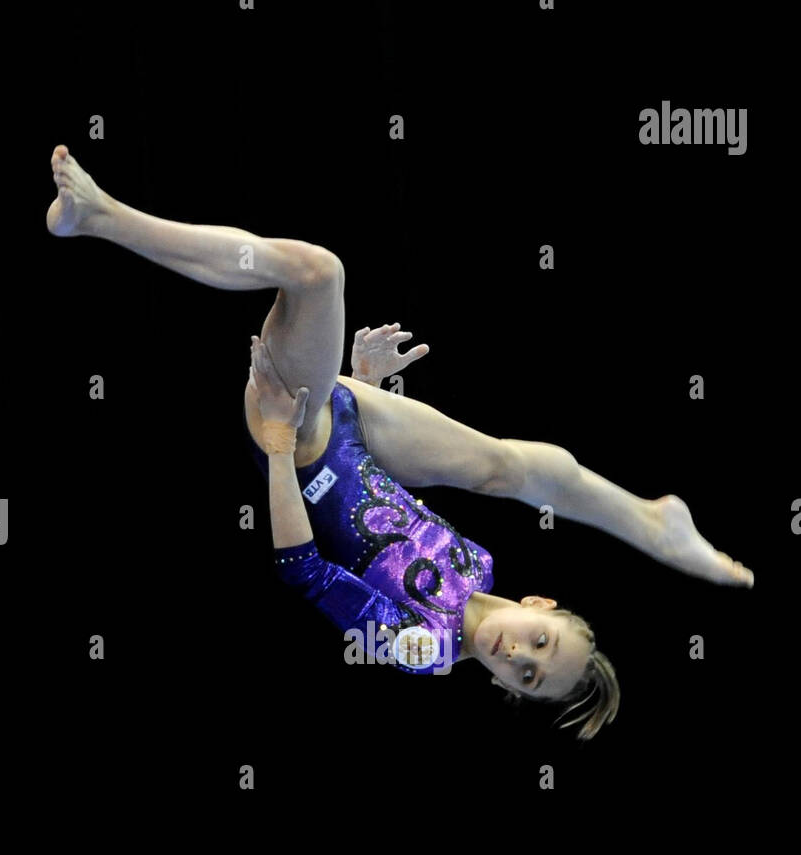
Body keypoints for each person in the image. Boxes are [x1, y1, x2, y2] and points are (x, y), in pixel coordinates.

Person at [47, 144, 754, 739]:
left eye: (528, 676)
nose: (517, 654)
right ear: (537, 603)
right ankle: (651, 522)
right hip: (356, 435)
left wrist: (274, 446)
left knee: (315, 274)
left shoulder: (424, 650)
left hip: (306, 449)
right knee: (504, 466)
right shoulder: (477, 567)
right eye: (539, 642)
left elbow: (305, 571)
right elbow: (388, 508)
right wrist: (370, 386)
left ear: (510, 690)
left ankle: (102, 217)